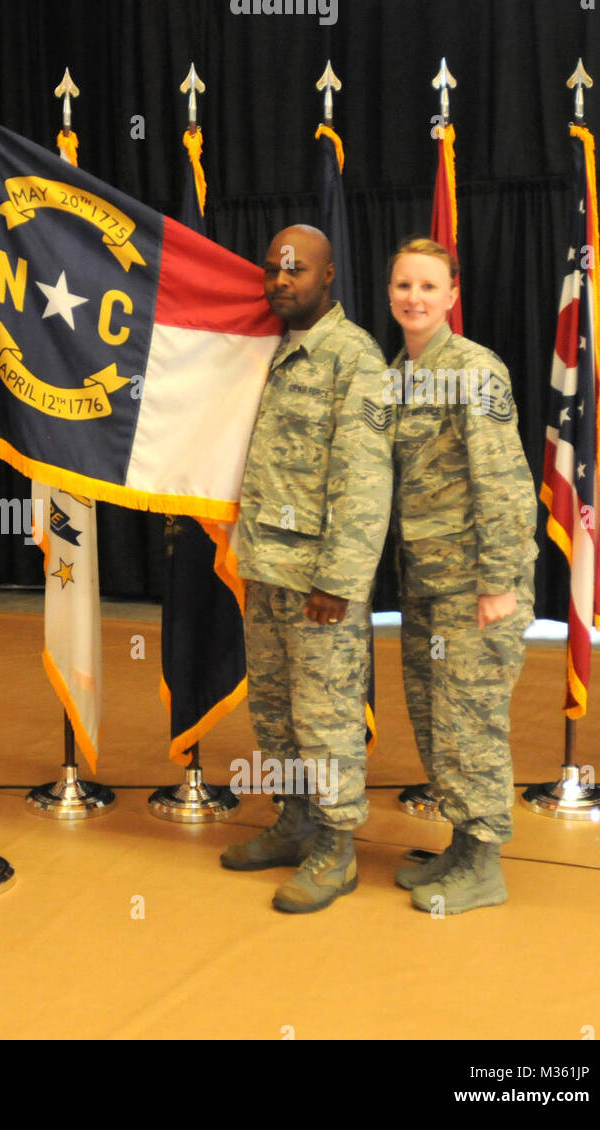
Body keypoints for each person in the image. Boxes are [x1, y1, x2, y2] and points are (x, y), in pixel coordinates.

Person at [223, 225, 394, 913]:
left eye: (295, 270)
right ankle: (294, 822)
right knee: (274, 713)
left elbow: (365, 479)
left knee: (325, 719)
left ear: (328, 276)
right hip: (265, 569)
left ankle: (336, 847)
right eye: (272, 270)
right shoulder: (273, 351)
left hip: (319, 582)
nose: (279, 281)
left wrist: (340, 580)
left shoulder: (354, 357)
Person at [386, 237, 537, 914]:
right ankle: (460, 844)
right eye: (402, 286)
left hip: (478, 587)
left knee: (471, 723)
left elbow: (504, 481)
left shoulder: (475, 370)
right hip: (426, 583)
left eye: (427, 286)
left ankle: (485, 865)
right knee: (437, 720)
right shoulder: (398, 372)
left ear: (452, 296)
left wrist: (500, 583)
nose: (413, 298)